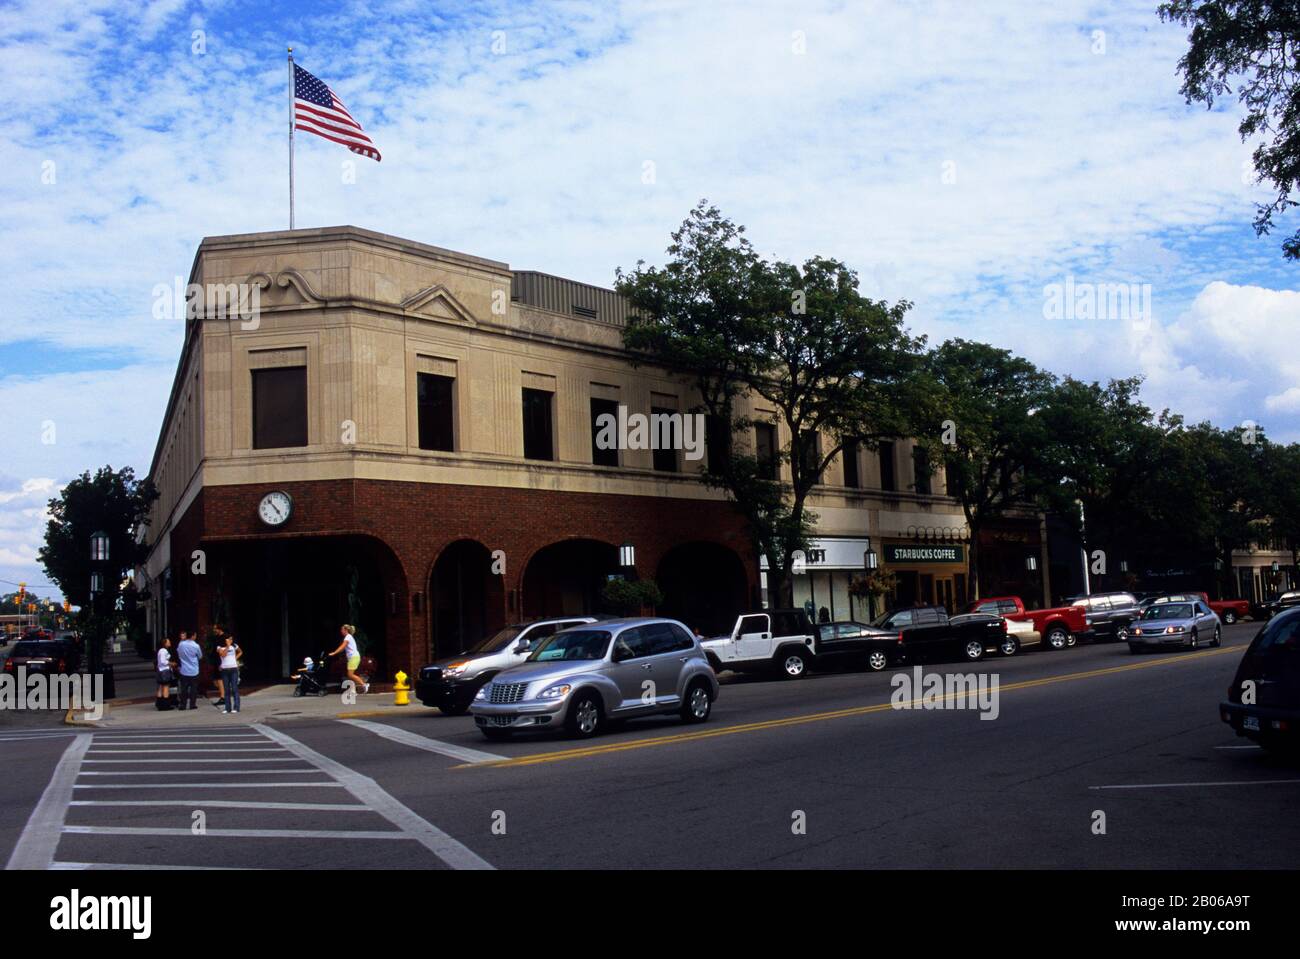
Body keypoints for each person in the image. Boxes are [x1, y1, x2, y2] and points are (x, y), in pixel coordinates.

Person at [328, 624, 369, 694]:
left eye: (342, 629)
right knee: (351, 674)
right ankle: (353, 690)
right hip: (353, 657)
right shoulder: (349, 637)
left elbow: (342, 647)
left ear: (346, 630)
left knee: (350, 675)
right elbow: (343, 648)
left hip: (354, 657)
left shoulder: (348, 637)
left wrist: (334, 653)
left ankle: (364, 685)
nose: (341, 631)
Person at [176, 630, 202, 710]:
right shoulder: (196, 646)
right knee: (193, 688)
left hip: (184, 669)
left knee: (184, 688)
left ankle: (183, 705)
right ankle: (192, 704)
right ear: (193, 636)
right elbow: (200, 656)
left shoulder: (181, 644)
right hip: (194, 670)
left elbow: (178, 653)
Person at [217, 633, 242, 714]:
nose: (231, 640)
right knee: (226, 689)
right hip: (224, 670)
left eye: (231, 639)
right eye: (229, 639)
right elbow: (223, 655)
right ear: (225, 639)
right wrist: (227, 646)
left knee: (234, 688)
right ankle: (227, 708)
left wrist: (235, 658)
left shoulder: (234, 646)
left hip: (233, 669)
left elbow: (240, 652)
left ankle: (236, 707)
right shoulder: (220, 647)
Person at [207, 624, 226, 707]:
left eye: (215, 629)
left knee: (219, 678)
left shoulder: (224, 637)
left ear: (220, 629)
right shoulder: (216, 638)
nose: (214, 630)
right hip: (216, 660)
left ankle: (223, 697)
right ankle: (223, 695)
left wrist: (222, 663)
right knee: (216, 680)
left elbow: (226, 650)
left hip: (220, 661)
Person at [155, 637, 174, 708]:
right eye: (168, 642)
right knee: (166, 686)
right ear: (164, 643)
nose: (169, 643)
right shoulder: (164, 651)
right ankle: (165, 704)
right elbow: (163, 661)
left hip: (160, 670)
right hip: (165, 670)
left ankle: (159, 702)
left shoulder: (160, 651)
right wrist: (170, 663)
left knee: (160, 686)